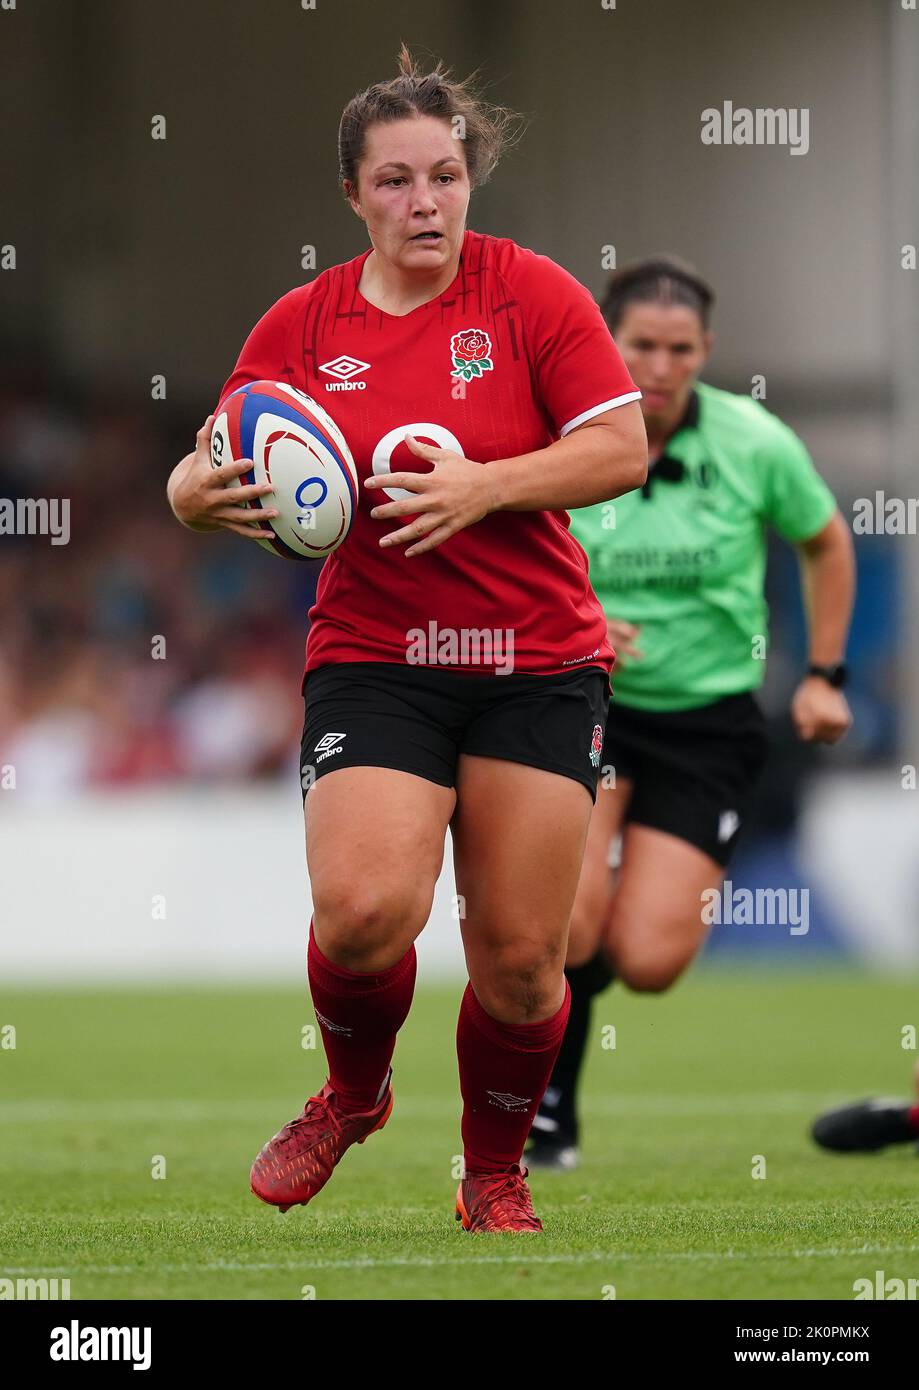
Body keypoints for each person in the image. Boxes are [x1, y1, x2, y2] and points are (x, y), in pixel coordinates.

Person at [165, 47, 647, 1233]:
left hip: (533, 659)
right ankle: (352, 1093)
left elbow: (620, 448)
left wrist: (486, 486)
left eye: (444, 173)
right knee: (365, 912)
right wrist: (188, 493)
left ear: (469, 176)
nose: (424, 200)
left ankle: (491, 1173)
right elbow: (216, 448)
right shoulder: (302, 321)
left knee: (526, 959)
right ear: (353, 196)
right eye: (394, 181)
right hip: (379, 656)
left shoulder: (531, 294)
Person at [526, 256, 855, 1170]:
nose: (659, 368)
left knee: (649, 958)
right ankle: (547, 1109)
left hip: (710, 724)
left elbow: (824, 543)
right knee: (570, 919)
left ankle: (561, 1043)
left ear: (706, 351)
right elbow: (499, 543)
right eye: (640, 346)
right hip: (581, 704)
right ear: (605, 341)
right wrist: (579, 618)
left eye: (679, 350)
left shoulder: (756, 442)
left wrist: (825, 673)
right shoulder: (555, 432)